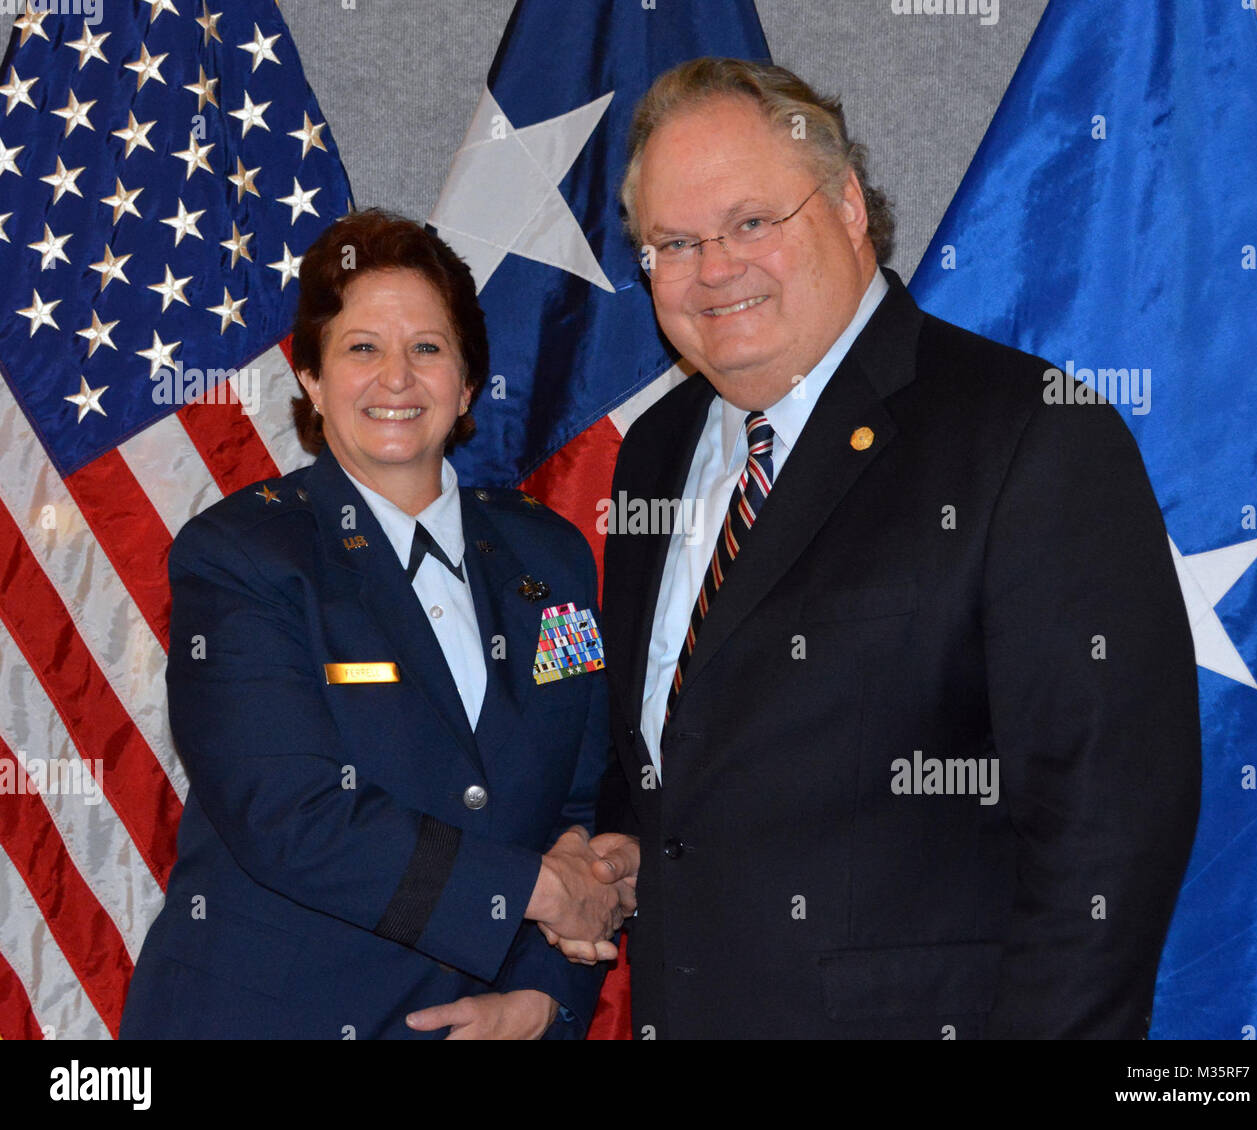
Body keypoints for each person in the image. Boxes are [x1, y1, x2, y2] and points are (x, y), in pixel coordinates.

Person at [576, 58, 1201, 1038]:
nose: (714, 266)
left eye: (750, 222)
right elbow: (680, 755)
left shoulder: (1027, 432)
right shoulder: (655, 453)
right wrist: (614, 846)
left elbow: (1104, 833)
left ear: (848, 205)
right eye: (673, 241)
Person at [120, 210, 630, 1040]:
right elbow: (292, 813)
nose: (396, 377)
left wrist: (545, 995)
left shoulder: (551, 556)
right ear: (313, 383)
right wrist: (535, 892)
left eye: (427, 348)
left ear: (467, 384)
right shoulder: (243, 554)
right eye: (362, 348)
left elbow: (577, 800)